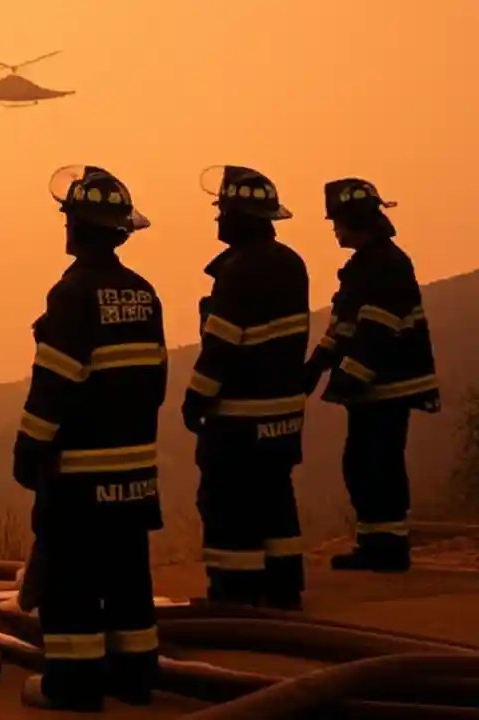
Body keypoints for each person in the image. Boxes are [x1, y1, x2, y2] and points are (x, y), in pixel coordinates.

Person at [13, 165, 167, 711]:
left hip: (78, 475)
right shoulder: (144, 294)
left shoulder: (71, 293)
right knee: (128, 577)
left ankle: (73, 687)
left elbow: (52, 386)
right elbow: (154, 383)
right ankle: (133, 678)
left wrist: (29, 451)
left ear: (77, 226)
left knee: (71, 583)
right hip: (134, 473)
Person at [181, 165, 311, 610]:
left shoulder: (237, 272)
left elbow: (221, 346)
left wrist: (194, 398)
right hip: (284, 413)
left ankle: (234, 593)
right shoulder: (291, 263)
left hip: (238, 416)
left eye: (223, 210)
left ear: (241, 217)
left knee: (227, 503)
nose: (218, 219)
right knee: (276, 498)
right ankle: (283, 586)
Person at [304, 178, 440, 572]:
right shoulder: (367, 265)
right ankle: (376, 543)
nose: (334, 229)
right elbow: (346, 326)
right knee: (363, 462)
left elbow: (376, 331)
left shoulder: (386, 264)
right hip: (375, 387)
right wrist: (317, 364)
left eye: (338, 222)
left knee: (377, 463)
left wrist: (347, 376)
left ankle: (387, 549)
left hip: (388, 386)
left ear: (354, 221)